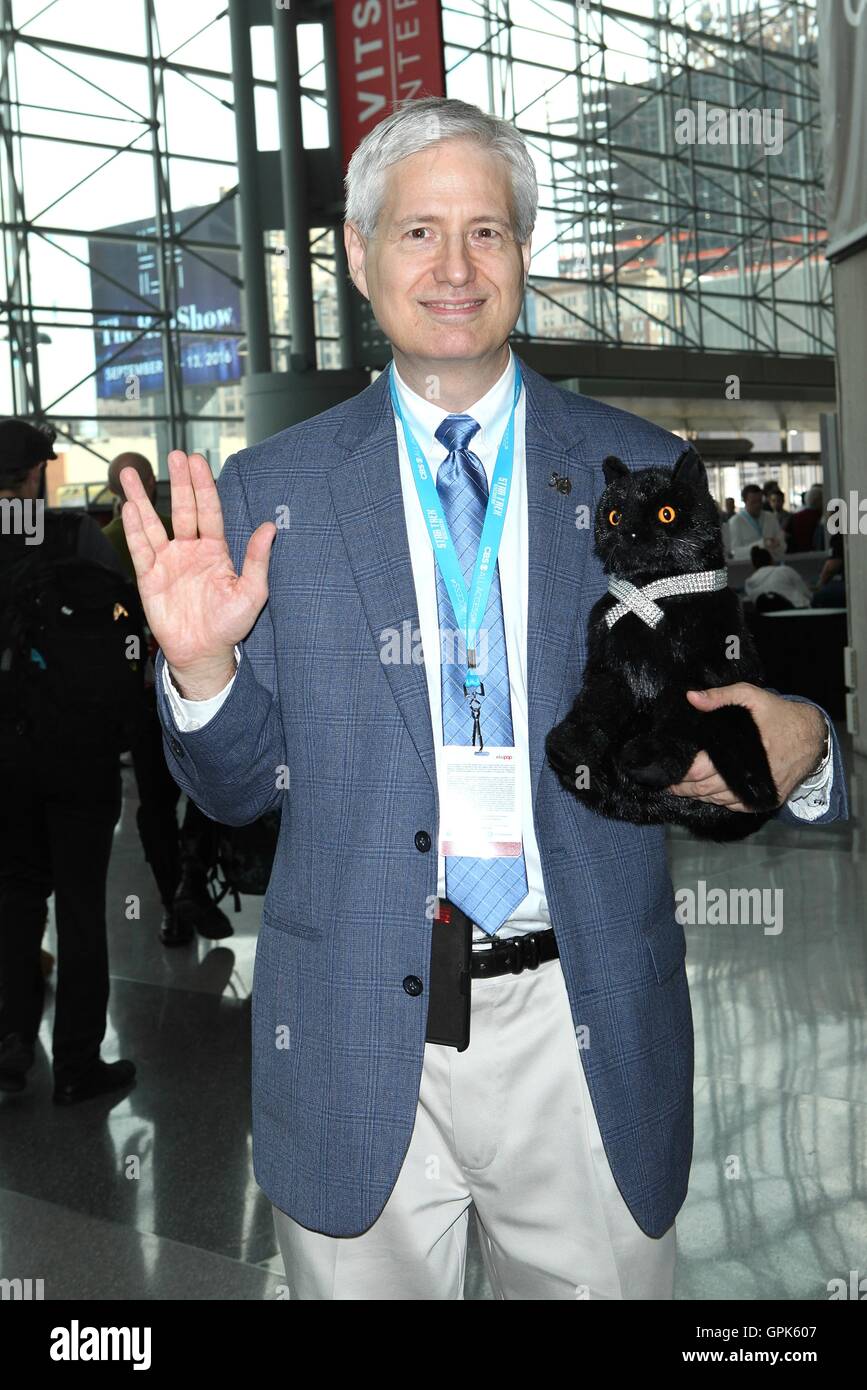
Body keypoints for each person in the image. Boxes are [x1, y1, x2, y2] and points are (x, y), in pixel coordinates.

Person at [120, 97, 846, 1300]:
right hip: (357, 1027)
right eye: (417, 234)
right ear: (357, 255)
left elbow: (724, 699)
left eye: (487, 233)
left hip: (586, 1023)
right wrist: (202, 672)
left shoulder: (637, 465)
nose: (454, 268)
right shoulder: (273, 487)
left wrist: (808, 740)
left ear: (523, 253)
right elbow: (238, 784)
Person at [0, 419, 137, 1101]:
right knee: (81, 907)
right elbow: (124, 629)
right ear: (32, 477)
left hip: (6, 756)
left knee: (16, 897)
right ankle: (79, 1064)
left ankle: (11, 1039)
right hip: (79, 754)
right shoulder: (70, 535)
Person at [103, 452, 233, 946]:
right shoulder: (179, 533)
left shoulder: (100, 544)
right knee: (205, 789)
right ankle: (192, 882)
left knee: (154, 804)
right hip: (188, 681)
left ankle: (169, 902)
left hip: (138, 698)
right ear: (152, 482)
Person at [724, 483, 787, 561]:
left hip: (772, 564)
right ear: (744, 501)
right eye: (753, 502)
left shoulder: (771, 517)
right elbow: (735, 552)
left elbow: (783, 545)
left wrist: (777, 545)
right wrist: (762, 544)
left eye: (760, 501)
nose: (757, 505)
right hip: (747, 568)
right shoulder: (735, 522)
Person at [744, 544, 811, 611]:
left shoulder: (749, 584)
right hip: (799, 613)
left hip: (771, 619)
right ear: (771, 560)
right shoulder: (784, 570)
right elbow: (807, 594)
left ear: (753, 565)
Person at [785, 483, 825, 553]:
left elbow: (786, 536)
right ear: (819, 500)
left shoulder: (794, 517)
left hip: (797, 556)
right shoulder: (822, 517)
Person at [812, 531, 846, 608]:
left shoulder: (843, 525)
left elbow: (831, 567)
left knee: (818, 597)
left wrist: (819, 586)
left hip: (852, 583)